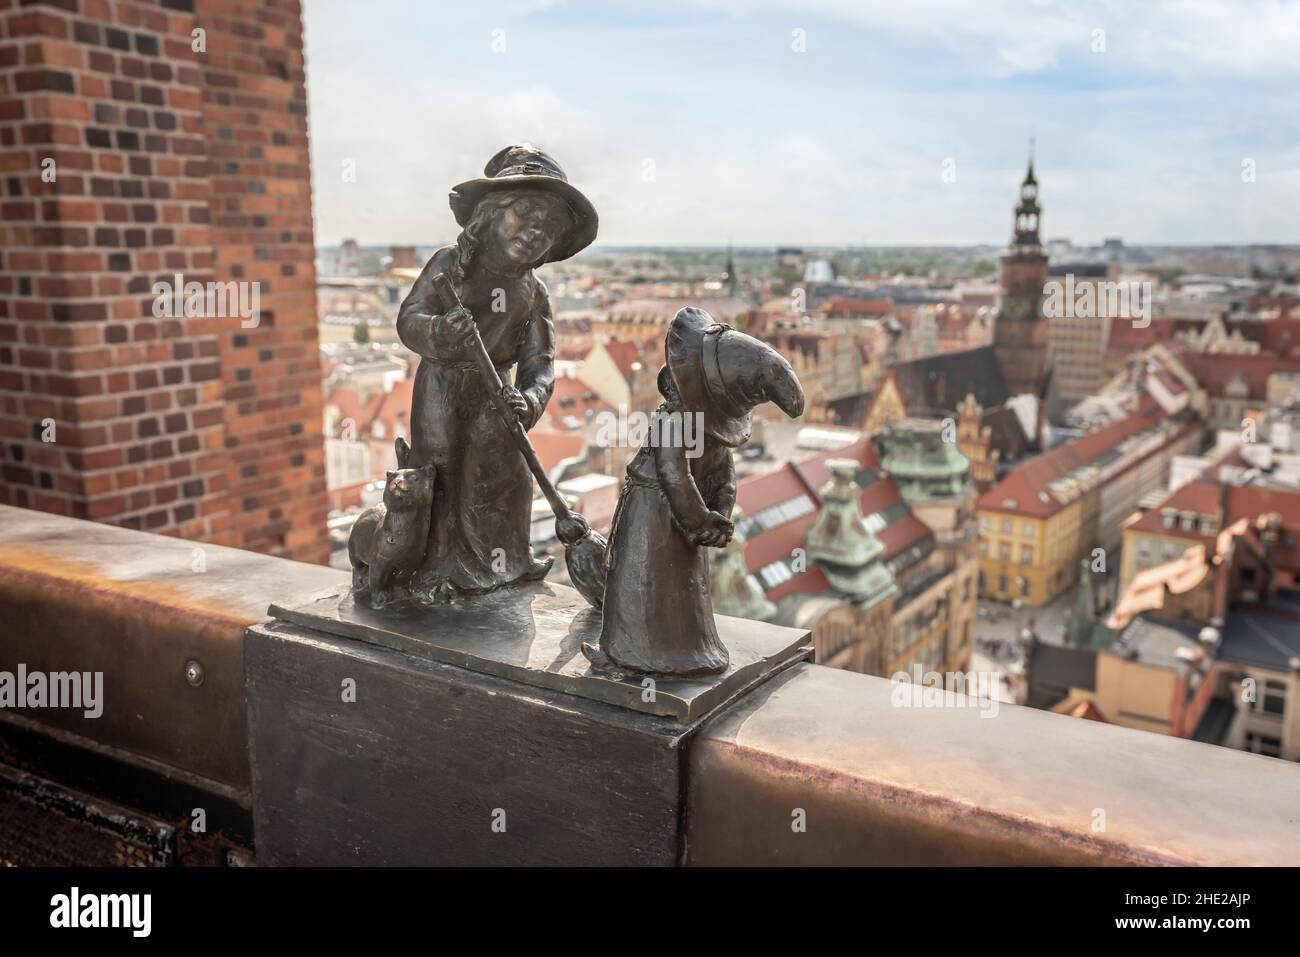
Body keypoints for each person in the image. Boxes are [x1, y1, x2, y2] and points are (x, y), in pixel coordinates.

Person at [395, 145, 597, 599]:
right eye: (523, 215)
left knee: (501, 476)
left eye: (547, 228)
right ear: (487, 215)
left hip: (498, 397)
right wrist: (442, 332)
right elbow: (410, 321)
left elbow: (540, 366)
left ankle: (503, 564)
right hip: (442, 388)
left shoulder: (534, 293)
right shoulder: (450, 265)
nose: (533, 233)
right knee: (442, 470)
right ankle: (437, 570)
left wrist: (528, 400)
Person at [586, 307, 804, 676]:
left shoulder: (674, 421)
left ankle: (637, 652)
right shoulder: (704, 430)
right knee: (677, 588)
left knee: (643, 580)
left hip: (655, 513)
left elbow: (680, 478)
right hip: (678, 515)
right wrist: (713, 516)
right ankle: (680, 650)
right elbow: (718, 480)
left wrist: (706, 518)